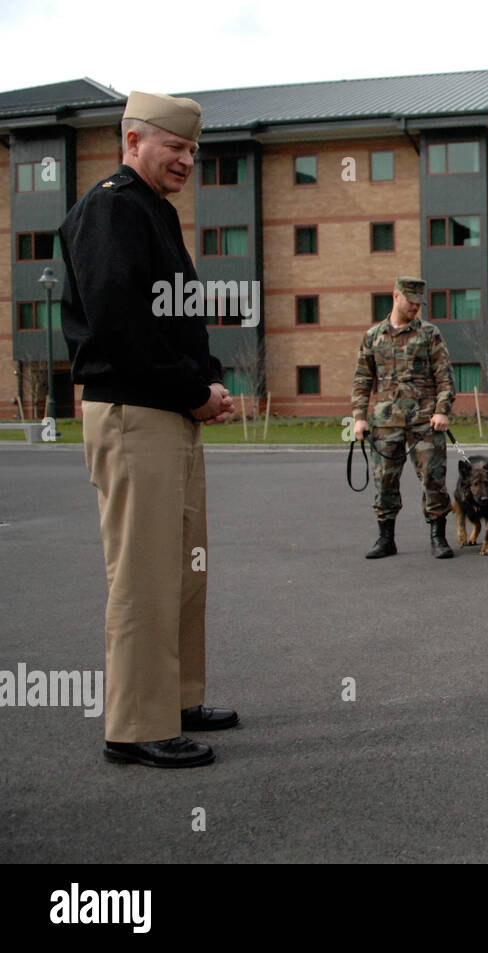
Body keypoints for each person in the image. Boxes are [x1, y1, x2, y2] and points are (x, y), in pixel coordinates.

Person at [61, 91, 239, 768]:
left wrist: (210, 383)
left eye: (193, 150)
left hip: (169, 412)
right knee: (143, 574)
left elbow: (180, 314)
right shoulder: (111, 208)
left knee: (186, 568)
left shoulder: (153, 213)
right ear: (133, 141)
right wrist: (192, 390)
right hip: (136, 414)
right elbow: (119, 323)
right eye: (176, 147)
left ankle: (177, 698)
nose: (187, 160)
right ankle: (135, 724)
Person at [352, 277, 457, 559]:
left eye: (418, 303)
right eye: (411, 302)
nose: (415, 308)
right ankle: (386, 538)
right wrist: (359, 417)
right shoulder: (373, 336)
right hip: (385, 423)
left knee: (433, 479)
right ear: (396, 296)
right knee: (384, 481)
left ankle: (438, 537)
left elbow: (445, 377)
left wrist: (442, 410)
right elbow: (362, 378)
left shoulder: (429, 333)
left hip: (425, 422)